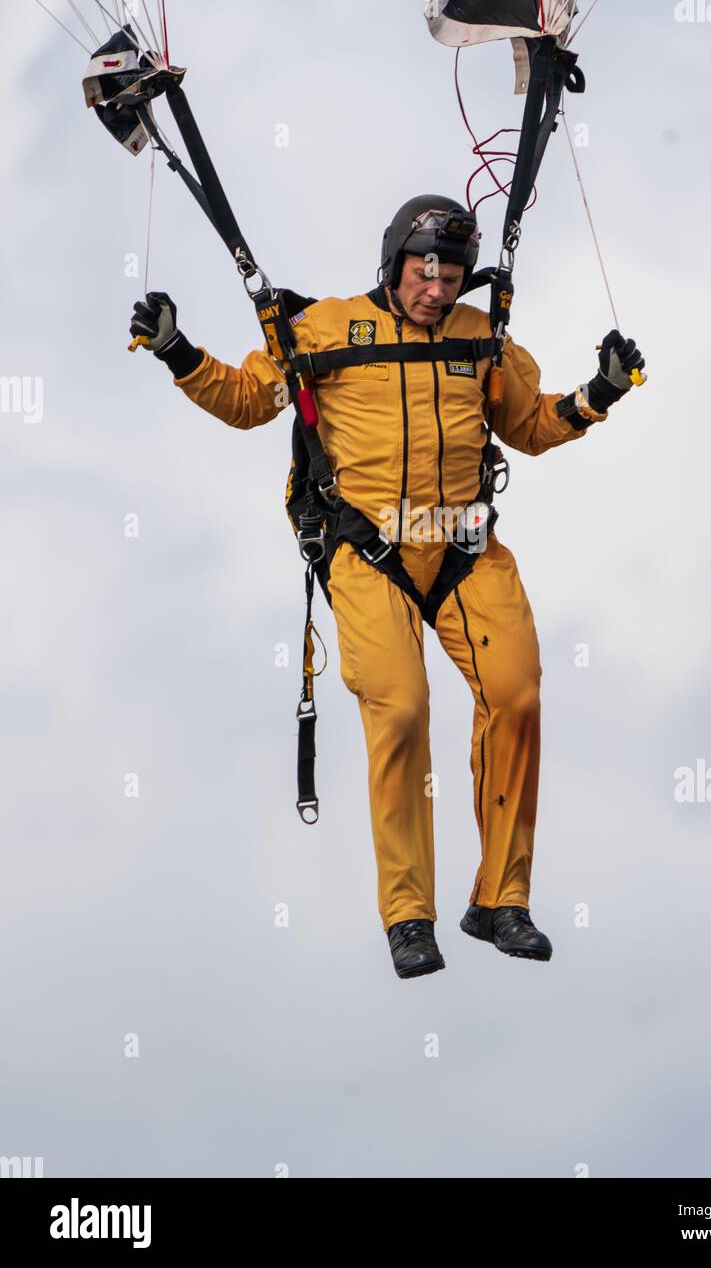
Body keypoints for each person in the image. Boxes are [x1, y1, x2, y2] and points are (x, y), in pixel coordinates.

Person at [129, 194, 645, 980]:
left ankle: (501, 901)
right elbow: (247, 401)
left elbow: (529, 427)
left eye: (451, 276)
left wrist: (597, 395)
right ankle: (410, 915)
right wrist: (176, 349)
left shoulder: (485, 339)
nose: (438, 289)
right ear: (395, 261)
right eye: (423, 271)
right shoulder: (324, 329)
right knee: (401, 707)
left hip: (465, 549)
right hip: (367, 549)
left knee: (518, 693)